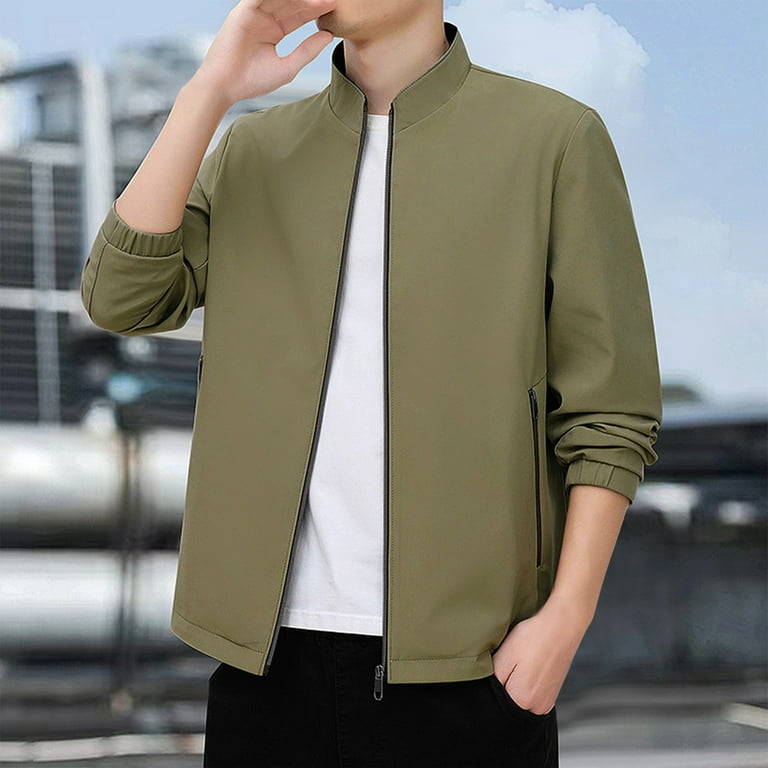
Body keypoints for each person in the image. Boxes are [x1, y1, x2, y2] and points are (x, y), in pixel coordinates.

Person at [79, 1, 663, 765]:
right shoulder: (254, 147)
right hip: (267, 662)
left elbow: (611, 410)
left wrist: (566, 619)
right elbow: (122, 299)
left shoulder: (552, 138)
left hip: (472, 666)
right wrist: (208, 92)